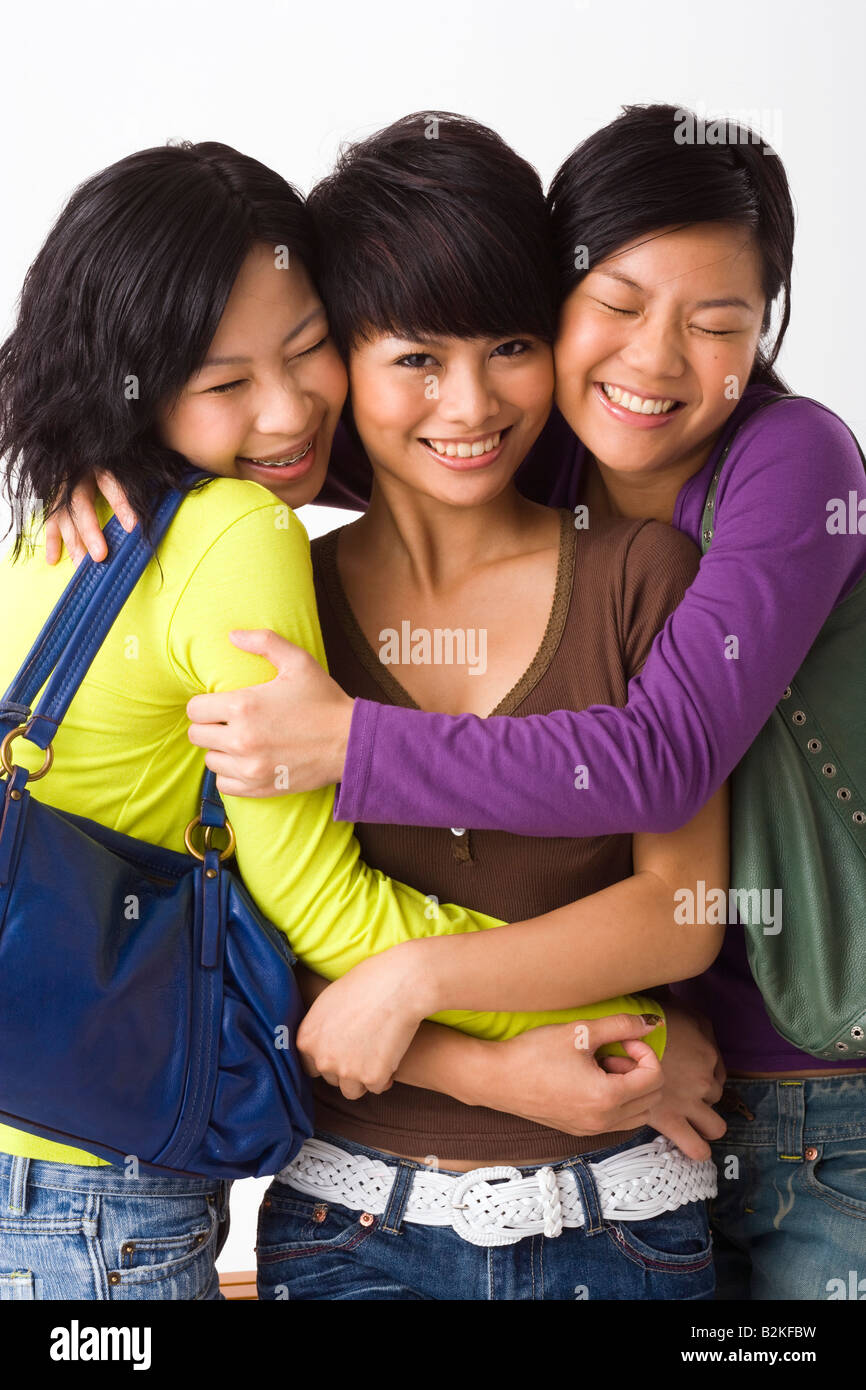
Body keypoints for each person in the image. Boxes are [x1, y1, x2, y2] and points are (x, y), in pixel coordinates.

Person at [144, 106, 865, 1301]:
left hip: (802, 1083)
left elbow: (659, 758)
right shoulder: (539, 456)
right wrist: (94, 453)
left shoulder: (787, 468)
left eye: (716, 322)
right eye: (619, 305)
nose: (652, 361)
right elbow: (324, 427)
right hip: (555, 1112)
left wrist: (355, 753)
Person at [0, 139, 683, 1301]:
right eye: (225, 385)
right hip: (108, 1197)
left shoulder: (60, 529)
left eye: (308, 346)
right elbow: (315, 904)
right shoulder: (243, 536)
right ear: (141, 383)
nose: (286, 409)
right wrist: (622, 1031)